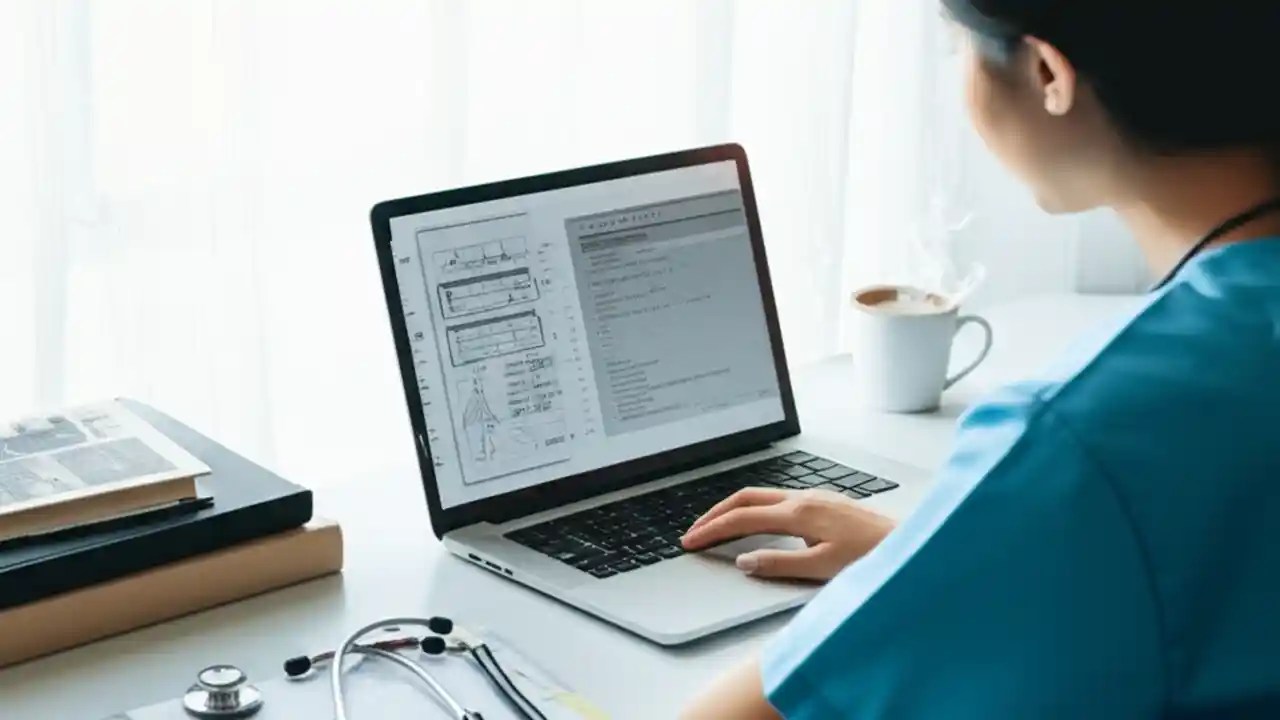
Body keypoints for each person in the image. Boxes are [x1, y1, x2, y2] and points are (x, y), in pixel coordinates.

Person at [680, 1, 1280, 718]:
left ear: (1047, 72)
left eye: (959, 47)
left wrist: (934, 576)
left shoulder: (1085, 431)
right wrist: (940, 553)